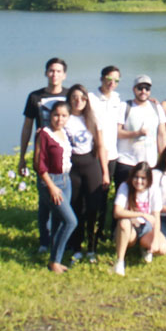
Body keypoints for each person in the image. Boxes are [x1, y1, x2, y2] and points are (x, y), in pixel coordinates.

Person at [64, 84, 109, 264]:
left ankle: (92, 247)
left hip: (91, 166)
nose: (78, 101)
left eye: (82, 98)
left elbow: (101, 146)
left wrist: (105, 172)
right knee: (76, 208)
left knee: (93, 208)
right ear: (69, 99)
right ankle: (76, 247)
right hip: (72, 168)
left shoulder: (92, 119)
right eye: (74, 97)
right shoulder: (64, 119)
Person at [34, 101, 78, 273]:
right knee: (71, 221)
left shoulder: (64, 133)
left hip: (65, 180)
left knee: (59, 223)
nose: (59, 119)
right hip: (51, 181)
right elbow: (39, 164)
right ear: (50, 116)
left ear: (68, 117)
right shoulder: (44, 134)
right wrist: (51, 186)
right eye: (56, 115)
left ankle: (55, 257)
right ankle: (54, 262)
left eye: (64, 115)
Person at [112, 162, 166, 276]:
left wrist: (155, 240)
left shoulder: (154, 189)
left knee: (162, 248)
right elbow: (117, 212)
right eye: (136, 177)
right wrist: (141, 214)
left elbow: (156, 217)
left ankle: (144, 248)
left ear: (149, 179)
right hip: (130, 228)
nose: (139, 181)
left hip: (146, 228)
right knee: (123, 223)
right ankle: (120, 261)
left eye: (143, 178)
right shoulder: (125, 187)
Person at [89, 65, 124, 242]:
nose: (112, 83)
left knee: (106, 192)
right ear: (102, 78)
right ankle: (91, 230)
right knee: (95, 194)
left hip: (113, 155)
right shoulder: (91, 98)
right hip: (94, 154)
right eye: (109, 78)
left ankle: (102, 230)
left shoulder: (118, 99)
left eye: (116, 80)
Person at [115, 75, 166, 190]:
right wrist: (136, 133)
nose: (143, 91)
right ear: (134, 89)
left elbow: (162, 134)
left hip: (150, 163)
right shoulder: (125, 106)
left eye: (147, 88)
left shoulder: (156, 108)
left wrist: (164, 159)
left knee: (146, 197)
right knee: (124, 196)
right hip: (127, 161)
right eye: (140, 88)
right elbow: (117, 132)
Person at [19, 57, 68, 174]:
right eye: (51, 71)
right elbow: (27, 128)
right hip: (44, 152)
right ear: (46, 73)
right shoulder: (35, 97)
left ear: (64, 75)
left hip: (67, 153)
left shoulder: (70, 95)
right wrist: (22, 157)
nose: (54, 74)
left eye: (58, 71)